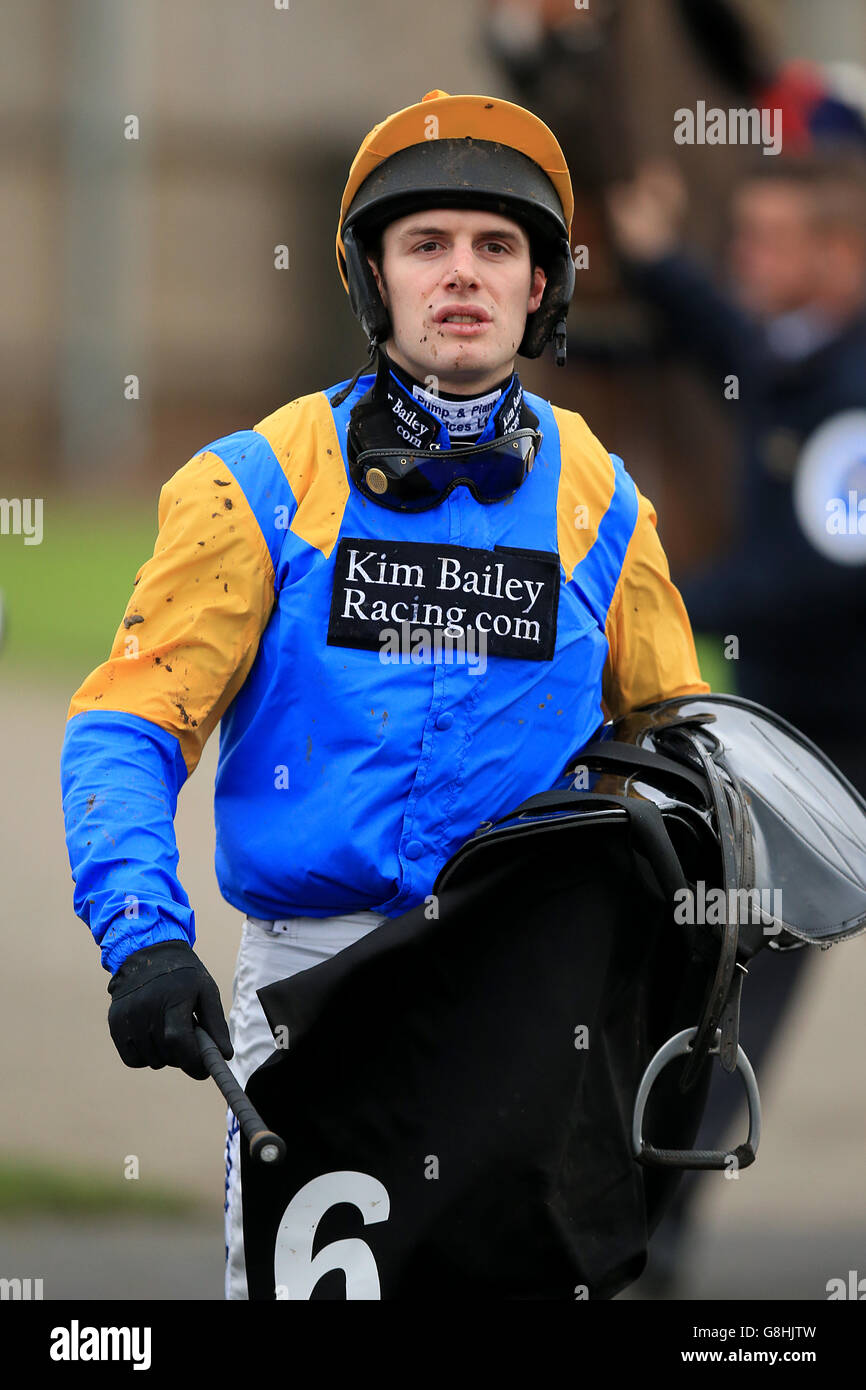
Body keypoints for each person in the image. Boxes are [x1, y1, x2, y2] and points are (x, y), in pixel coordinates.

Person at [60, 89, 709, 1301]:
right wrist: (142, 932)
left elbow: (676, 754)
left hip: (528, 1005)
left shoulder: (604, 501)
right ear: (372, 278)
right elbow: (125, 726)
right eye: (426, 244)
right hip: (317, 994)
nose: (460, 274)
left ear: (539, 287)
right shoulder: (251, 482)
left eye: (494, 246)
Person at [605, 149, 866, 1295]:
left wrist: (655, 599)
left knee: (735, 980)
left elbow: (816, 569)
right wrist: (659, 265)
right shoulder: (793, 350)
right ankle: (649, 1235)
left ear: (841, 259)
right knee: (726, 981)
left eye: (765, 241)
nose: (740, 258)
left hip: (839, 751)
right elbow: (732, 340)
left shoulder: (855, 395)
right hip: (800, 740)